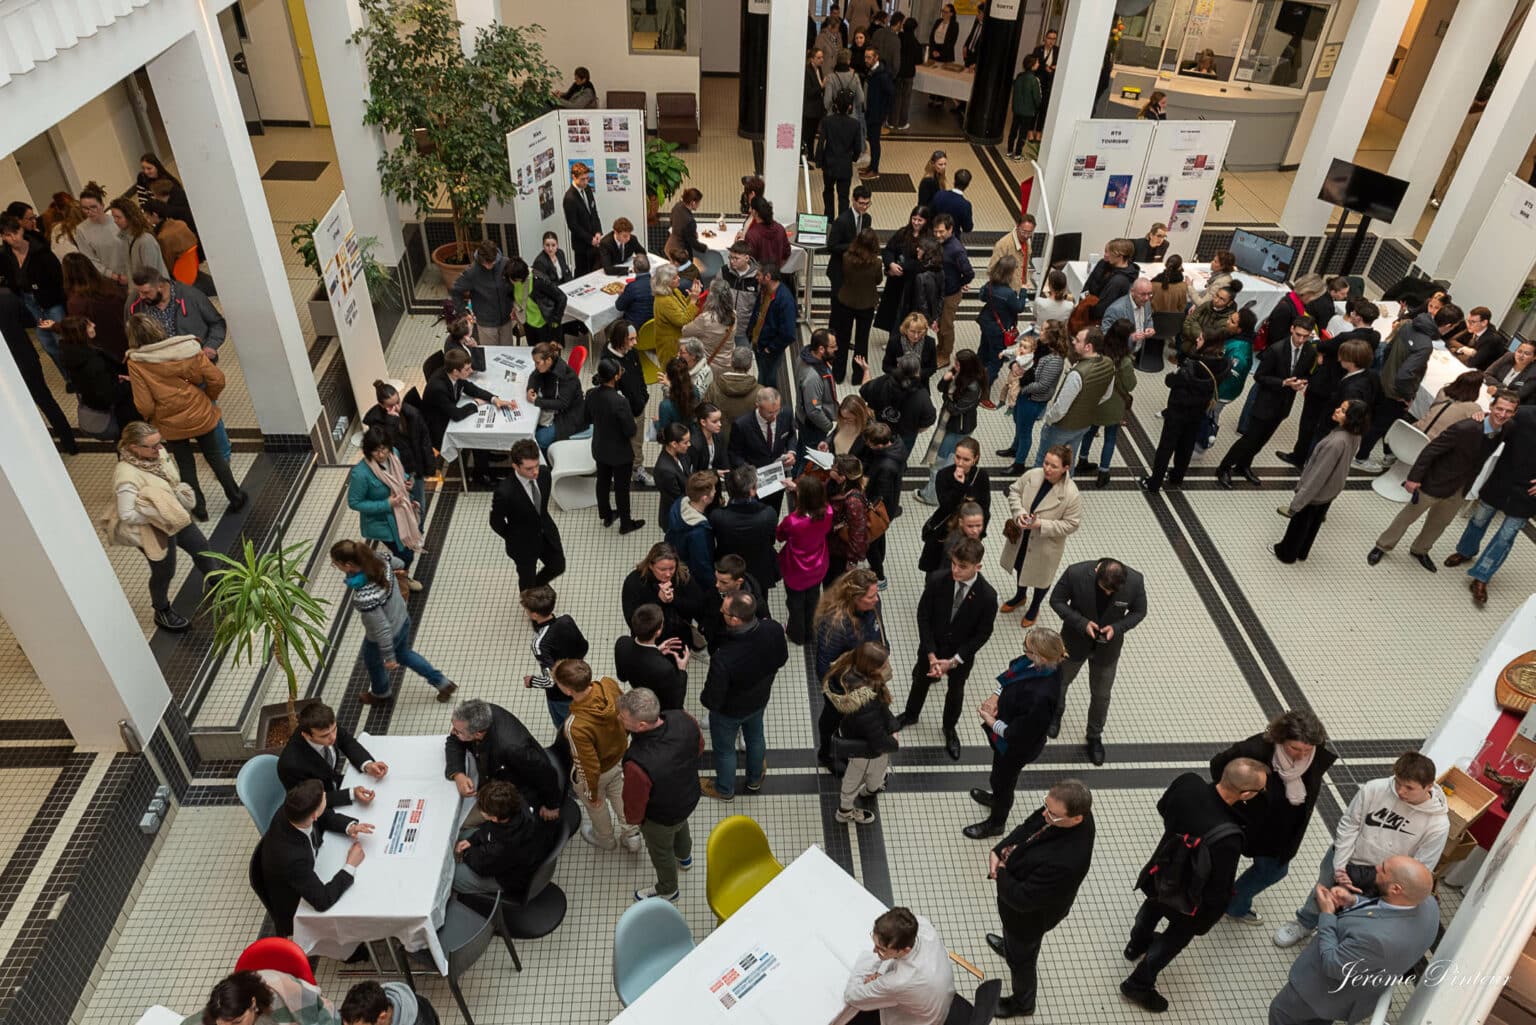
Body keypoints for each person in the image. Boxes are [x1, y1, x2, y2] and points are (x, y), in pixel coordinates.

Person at [1121, 759, 1268, 1013]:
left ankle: (1137, 943)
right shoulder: (1228, 836)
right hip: (1189, 898)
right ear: (1245, 794)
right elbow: (1218, 887)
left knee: (1151, 907)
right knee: (1173, 939)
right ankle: (1139, 983)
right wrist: (1205, 920)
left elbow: (1163, 806)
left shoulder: (1188, 783)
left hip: (1162, 870)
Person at [1273, 751, 1449, 949]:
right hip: (1348, 856)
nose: (1401, 791)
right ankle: (1304, 923)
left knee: (1359, 909)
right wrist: (1340, 865)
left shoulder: (1437, 824)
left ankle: (1333, 939)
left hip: (1382, 875)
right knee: (1322, 890)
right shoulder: (1375, 788)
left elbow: (1421, 868)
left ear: (1429, 786)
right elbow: (1350, 825)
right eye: (1398, 782)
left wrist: (1390, 885)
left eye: (1409, 788)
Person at [1268, 857, 1441, 1025]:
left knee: (1281, 1013)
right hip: (1351, 991)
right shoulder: (1429, 905)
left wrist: (1327, 914)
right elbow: (1385, 908)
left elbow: (1333, 964)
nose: (1376, 868)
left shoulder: (1377, 939)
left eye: (1383, 869)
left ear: (1396, 889)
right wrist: (1354, 901)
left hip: (1320, 995)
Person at [1210, 709, 1334, 926]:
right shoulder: (1254, 750)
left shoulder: (1315, 748)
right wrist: (1240, 797)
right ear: (1280, 737)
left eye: (1307, 750)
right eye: (1294, 748)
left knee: (1273, 871)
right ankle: (1233, 905)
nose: (1301, 756)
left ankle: (1233, 903)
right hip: (1248, 821)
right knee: (1229, 863)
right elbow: (1219, 766)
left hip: (1283, 831)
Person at [1370, 390, 1518, 571]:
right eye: (1499, 409)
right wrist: (1414, 478)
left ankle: (1420, 549)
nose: (1503, 415)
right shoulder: (1465, 428)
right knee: (1408, 516)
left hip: (1461, 487)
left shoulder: (1507, 427)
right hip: (1435, 481)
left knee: (1440, 523)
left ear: (1514, 413)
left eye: (1509, 411)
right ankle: (1382, 546)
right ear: (1491, 407)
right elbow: (1430, 451)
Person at [985, 778, 1095, 1019]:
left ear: (1077, 818)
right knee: (1014, 943)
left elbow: (1021, 899)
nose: (1045, 815)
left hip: (1029, 918)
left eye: (1053, 814)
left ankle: (1023, 1003)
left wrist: (1000, 870)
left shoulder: (1067, 861)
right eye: (1046, 806)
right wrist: (1000, 847)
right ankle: (1009, 947)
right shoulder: (1062, 810)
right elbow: (1030, 825)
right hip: (1020, 904)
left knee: (1022, 961)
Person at [124, 315, 246, 520]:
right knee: (215, 456)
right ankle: (236, 497)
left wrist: (152, 418)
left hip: (169, 422)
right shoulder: (187, 349)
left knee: (186, 465)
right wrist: (208, 397)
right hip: (200, 412)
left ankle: (199, 509)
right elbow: (217, 378)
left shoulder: (137, 363)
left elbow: (144, 403)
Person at [102, 422, 215, 630]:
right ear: (134, 447)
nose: (159, 448)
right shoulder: (126, 475)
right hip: (155, 529)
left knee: (202, 548)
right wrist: (158, 515)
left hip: (174, 516)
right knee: (164, 571)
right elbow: (127, 514)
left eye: (159, 442)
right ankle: (161, 610)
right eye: (152, 446)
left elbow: (169, 476)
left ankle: (218, 583)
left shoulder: (158, 454)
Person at [899, 538, 998, 761]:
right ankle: (911, 714)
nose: (955, 570)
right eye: (953, 563)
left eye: (962, 567)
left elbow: (982, 634)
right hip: (931, 648)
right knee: (920, 681)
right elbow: (923, 616)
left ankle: (949, 728)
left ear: (978, 567)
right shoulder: (937, 580)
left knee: (955, 691)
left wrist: (953, 661)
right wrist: (931, 654)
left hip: (959, 657)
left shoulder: (987, 597)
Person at [965, 626, 1066, 839]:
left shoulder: (1041, 695)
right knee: (998, 775)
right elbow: (1011, 678)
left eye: (1027, 648)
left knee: (1004, 782)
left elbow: (1018, 734)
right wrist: (995, 698)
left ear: (1040, 656)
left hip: (1016, 746)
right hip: (1007, 731)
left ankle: (996, 822)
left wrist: (991, 721)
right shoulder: (1039, 663)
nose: (1023, 650)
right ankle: (996, 797)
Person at [330, 539, 453, 705]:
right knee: (405, 654)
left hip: (385, 635)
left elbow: (381, 628)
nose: (335, 566)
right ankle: (442, 683)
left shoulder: (365, 596)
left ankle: (381, 695)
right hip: (402, 619)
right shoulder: (378, 559)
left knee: (373, 661)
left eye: (335, 563)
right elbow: (399, 562)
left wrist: (388, 656)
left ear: (348, 565)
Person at [1049, 559, 1146, 765]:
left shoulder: (1135, 581)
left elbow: (1139, 612)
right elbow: (1056, 600)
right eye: (1105, 590)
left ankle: (1094, 735)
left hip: (1107, 649)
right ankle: (1055, 714)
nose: (1109, 594)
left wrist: (1117, 628)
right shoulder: (1075, 574)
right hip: (1074, 642)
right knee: (1059, 682)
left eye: (1114, 592)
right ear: (1095, 573)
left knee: (1101, 696)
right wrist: (1081, 623)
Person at [1444, 396, 1536, 605]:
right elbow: (1497, 423)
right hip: (1501, 480)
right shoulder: (1525, 414)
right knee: (1479, 520)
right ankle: (1465, 551)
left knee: (1506, 536)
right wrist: (1482, 417)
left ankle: (1482, 575)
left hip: (1528, 493)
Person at [615, 687, 703, 903]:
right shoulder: (683, 718)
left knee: (661, 851)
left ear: (641, 725)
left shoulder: (637, 761)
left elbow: (635, 803)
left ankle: (668, 889)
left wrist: (635, 822)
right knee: (681, 826)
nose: (619, 718)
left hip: (660, 816)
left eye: (623, 717)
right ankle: (684, 858)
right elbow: (699, 748)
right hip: (688, 796)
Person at [700, 592, 788, 801]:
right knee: (755, 736)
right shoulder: (773, 629)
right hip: (759, 701)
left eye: (723, 611)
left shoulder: (724, 657)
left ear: (735, 620)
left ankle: (724, 789)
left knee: (725, 751)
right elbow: (782, 658)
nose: (720, 612)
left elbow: (711, 699)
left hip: (729, 713)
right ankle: (755, 778)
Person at [257, 779, 371, 938]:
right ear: (313, 815)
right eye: (324, 797)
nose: (327, 796)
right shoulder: (292, 859)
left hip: (313, 864)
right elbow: (323, 900)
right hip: (298, 903)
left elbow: (323, 817)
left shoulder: (293, 810)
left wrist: (349, 826)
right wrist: (350, 865)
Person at [1357, 303, 1464, 470]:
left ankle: (1388, 453)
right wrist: (1407, 396)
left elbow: (1388, 349)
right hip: (1395, 391)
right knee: (1380, 424)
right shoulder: (1425, 345)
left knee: (1386, 421)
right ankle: (1361, 458)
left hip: (1385, 379)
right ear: (1449, 326)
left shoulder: (1409, 325)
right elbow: (1405, 375)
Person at [1217, 317, 1317, 488]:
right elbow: (1259, 376)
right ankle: (1224, 467)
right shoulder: (1276, 350)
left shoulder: (1309, 350)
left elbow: (1306, 373)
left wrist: (1302, 382)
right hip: (1265, 402)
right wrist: (1283, 383)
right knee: (1249, 439)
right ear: (1292, 329)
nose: (1301, 340)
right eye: (1299, 335)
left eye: (1305, 336)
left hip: (1284, 404)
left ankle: (1244, 465)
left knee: (1263, 439)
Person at [553, 659, 637, 852]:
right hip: (618, 759)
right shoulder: (607, 684)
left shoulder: (575, 725)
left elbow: (587, 764)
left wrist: (591, 793)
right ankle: (632, 835)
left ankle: (605, 839)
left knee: (596, 806)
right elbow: (626, 714)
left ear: (568, 690)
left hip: (597, 773)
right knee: (619, 793)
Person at [1283, 305, 1381, 466]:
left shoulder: (1346, 337)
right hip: (1335, 386)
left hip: (1324, 384)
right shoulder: (1375, 337)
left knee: (1309, 422)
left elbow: (1322, 346)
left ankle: (1300, 456)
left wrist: (1322, 352)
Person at [998, 445, 1082, 628]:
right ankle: (1020, 597)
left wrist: (1041, 524)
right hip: (1023, 537)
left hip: (1045, 544)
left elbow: (1072, 524)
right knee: (1021, 566)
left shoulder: (1071, 494)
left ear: (1065, 468)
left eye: (1054, 466)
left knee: (1042, 578)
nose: (1047, 469)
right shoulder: (1033, 474)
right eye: (1046, 463)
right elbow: (1014, 491)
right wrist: (1018, 513)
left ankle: (1034, 608)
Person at [1273, 400, 1366, 564]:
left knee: (1299, 525)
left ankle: (1286, 553)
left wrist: (1298, 501)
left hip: (1316, 492)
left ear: (1351, 418)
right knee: (1313, 523)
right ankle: (1302, 552)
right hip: (1331, 489)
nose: (1337, 410)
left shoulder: (1336, 441)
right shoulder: (1355, 435)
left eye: (1343, 411)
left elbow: (1318, 474)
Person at [445, 699, 563, 817]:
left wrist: (551, 805)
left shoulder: (513, 749)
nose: (454, 732)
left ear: (478, 734)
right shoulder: (477, 715)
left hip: (514, 791)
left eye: (458, 731)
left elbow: (545, 773)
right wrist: (458, 774)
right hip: (493, 777)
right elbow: (454, 741)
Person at [824, 642, 901, 824]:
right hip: (866, 750)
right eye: (883, 664)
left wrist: (893, 725)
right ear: (871, 668)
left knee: (863, 772)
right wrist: (894, 743)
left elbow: (881, 710)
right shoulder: (867, 702)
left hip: (853, 735)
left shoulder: (849, 674)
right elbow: (877, 740)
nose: (888, 666)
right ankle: (845, 811)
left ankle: (871, 789)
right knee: (856, 777)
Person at [1139, 335, 1225, 493]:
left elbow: (1170, 381)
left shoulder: (1191, 366)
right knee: (1186, 444)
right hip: (1199, 410)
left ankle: (1154, 482)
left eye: (1201, 339)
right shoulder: (1222, 364)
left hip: (1178, 409)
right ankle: (1177, 477)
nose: (1197, 340)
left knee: (1166, 447)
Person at [841, 908, 955, 1025]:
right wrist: (880, 972)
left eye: (882, 950)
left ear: (905, 950)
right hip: (939, 997)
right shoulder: (922, 925)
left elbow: (852, 996)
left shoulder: (901, 981)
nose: (874, 951)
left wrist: (866, 972)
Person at [421, 348, 514, 487]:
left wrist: (494, 399)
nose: (471, 371)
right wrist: (476, 403)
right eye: (467, 369)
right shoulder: (438, 388)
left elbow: (471, 388)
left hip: (449, 412)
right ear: (455, 371)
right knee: (477, 432)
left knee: (479, 426)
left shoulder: (454, 375)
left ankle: (484, 453)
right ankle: (480, 474)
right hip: (441, 426)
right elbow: (457, 414)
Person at [451, 779, 557, 897]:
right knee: (465, 836)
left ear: (495, 818)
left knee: (453, 876)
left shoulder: (505, 846)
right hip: (516, 857)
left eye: (484, 811)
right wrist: (473, 840)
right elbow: (490, 829)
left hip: (509, 877)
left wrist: (466, 853)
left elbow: (482, 866)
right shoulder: (517, 802)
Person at [277, 701, 386, 813]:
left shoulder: (326, 726)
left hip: (334, 782)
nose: (333, 737)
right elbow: (307, 801)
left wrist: (367, 764)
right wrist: (350, 794)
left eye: (334, 729)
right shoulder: (291, 765)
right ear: (306, 735)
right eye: (324, 736)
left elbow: (346, 741)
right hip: (321, 807)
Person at [349, 426, 424, 582]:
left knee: (406, 551)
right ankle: (399, 580)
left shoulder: (393, 454)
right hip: (383, 522)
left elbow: (398, 476)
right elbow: (354, 503)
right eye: (376, 451)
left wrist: (406, 482)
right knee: (405, 555)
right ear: (368, 451)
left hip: (402, 512)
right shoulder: (361, 473)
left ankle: (400, 577)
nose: (381, 454)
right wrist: (386, 503)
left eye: (384, 449)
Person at [488, 438, 565, 589]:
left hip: (546, 533)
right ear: (515, 466)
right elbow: (495, 521)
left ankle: (536, 588)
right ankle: (530, 601)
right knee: (526, 579)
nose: (535, 471)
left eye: (536, 465)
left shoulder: (544, 474)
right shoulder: (505, 492)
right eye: (529, 469)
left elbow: (541, 508)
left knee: (558, 566)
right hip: (522, 542)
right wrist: (512, 536)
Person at [0, 212, 67, 376]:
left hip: (51, 301)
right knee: (47, 343)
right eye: (8, 236)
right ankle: (67, 377)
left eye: (15, 233)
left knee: (62, 340)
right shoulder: (4, 256)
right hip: (29, 302)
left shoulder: (39, 249)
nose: (13, 238)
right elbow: (9, 280)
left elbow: (57, 276)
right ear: (2, 236)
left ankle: (77, 376)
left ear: (21, 230)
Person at [1036, 326, 1113, 465]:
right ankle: (1066, 486)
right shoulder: (1109, 364)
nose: (1073, 342)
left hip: (1061, 427)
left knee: (1045, 462)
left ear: (1088, 347)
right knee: (1068, 462)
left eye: (1078, 340)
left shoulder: (1077, 374)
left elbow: (1060, 409)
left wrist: (1048, 419)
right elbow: (1107, 395)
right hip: (1084, 424)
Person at [1075, 320, 1138, 488]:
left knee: (1090, 431)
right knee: (1110, 437)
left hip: (1095, 399)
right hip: (1114, 404)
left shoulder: (1099, 352)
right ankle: (1103, 471)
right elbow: (1131, 384)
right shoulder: (1124, 361)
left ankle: (1082, 460)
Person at [588, 357, 646, 533]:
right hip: (620, 453)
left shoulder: (591, 394)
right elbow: (630, 429)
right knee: (621, 488)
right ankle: (626, 524)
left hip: (600, 446)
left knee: (603, 482)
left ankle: (606, 515)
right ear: (615, 377)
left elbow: (587, 417)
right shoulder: (620, 401)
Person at [517, 584, 588, 728]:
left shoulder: (539, 644)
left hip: (560, 696)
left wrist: (532, 681)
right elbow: (584, 646)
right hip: (580, 683)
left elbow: (550, 681)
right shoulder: (567, 620)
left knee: (566, 727)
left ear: (534, 614)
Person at [363, 381, 434, 524]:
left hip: (415, 466)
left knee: (419, 501)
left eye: (398, 402)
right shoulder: (376, 423)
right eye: (390, 405)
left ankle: (419, 529)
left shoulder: (412, 413)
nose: (396, 407)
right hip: (397, 471)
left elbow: (424, 440)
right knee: (401, 504)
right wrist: (392, 421)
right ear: (381, 405)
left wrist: (430, 464)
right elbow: (385, 444)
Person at [917, 437, 990, 567]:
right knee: (936, 568)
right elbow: (946, 506)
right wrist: (959, 486)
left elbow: (985, 509)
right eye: (957, 457)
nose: (960, 463)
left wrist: (979, 534)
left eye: (966, 459)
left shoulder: (981, 476)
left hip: (968, 533)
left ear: (975, 459)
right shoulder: (944, 475)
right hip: (945, 530)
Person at [777, 473, 834, 644]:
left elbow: (780, 535)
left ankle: (797, 634)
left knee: (795, 604)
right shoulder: (828, 512)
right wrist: (797, 488)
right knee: (813, 599)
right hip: (818, 565)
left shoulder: (793, 521)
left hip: (796, 569)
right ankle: (811, 632)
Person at [58, 316, 135, 439]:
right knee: (130, 439)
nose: (94, 325)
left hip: (94, 404)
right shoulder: (93, 362)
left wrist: (112, 377)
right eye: (89, 325)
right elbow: (108, 394)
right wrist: (126, 384)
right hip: (117, 411)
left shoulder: (71, 354)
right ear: (81, 333)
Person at [1002, 323, 1065, 473]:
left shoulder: (1055, 360)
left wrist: (1021, 389)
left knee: (1025, 430)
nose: (1039, 331)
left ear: (1051, 336)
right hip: (1024, 394)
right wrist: (1013, 366)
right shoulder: (1040, 347)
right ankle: (1014, 448)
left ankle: (1019, 463)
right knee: (1018, 421)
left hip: (1033, 399)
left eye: (1043, 329)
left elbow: (1042, 385)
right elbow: (1021, 357)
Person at [622, 542, 706, 650]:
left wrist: (674, 600)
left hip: (680, 636)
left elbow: (698, 606)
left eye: (672, 568)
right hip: (650, 641)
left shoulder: (682, 576)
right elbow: (632, 620)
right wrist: (658, 601)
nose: (668, 574)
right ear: (651, 566)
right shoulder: (634, 582)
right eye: (662, 569)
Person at [728, 387, 797, 512]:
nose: (775, 416)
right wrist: (750, 473)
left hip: (777, 480)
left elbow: (791, 435)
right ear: (757, 406)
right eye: (770, 413)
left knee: (773, 512)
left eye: (777, 410)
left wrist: (791, 452)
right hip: (755, 485)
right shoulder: (741, 425)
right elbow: (734, 454)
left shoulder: (786, 413)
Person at [833, 229, 883, 385]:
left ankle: (838, 374)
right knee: (862, 341)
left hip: (846, 301)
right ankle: (857, 376)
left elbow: (842, 276)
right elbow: (878, 281)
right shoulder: (876, 263)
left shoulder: (846, 258)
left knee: (842, 339)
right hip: (866, 304)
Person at [616, 604, 689, 710]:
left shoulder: (622, 643)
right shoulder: (665, 668)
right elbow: (676, 702)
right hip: (660, 707)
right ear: (658, 631)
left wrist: (656, 650)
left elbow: (622, 677)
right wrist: (682, 670)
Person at [977, 256, 1029, 399]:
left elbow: (981, 297)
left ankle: (972, 376)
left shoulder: (989, 286)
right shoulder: (1009, 294)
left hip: (986, 323)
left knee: (983, 350)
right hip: (1000, 330)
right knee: (996, 360)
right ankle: (984, 390)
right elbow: (1019, 308)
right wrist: (1023, 292)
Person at [450, 241, 513, 343]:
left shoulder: (505, 263)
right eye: (486, 263)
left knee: (508, 351)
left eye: (492, 263)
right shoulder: (472, 272)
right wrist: (462, 312)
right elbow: (455, 290)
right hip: (486, 323)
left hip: (506, 319)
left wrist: (514, 304)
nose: (489, 266)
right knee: (490, 354)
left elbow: (514, 285)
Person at [748, 262, 796, 390]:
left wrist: (770, 348)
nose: (756, 278)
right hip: (759, 343)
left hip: (769, 349)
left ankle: (770, 404)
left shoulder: (785, 300)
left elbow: (789, 334)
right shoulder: (764, 290)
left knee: (768, 379)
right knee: (763, 375)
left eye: (758, 275)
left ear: (767, 277)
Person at [664, 470, 718, 584]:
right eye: (713, 490)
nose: (715, 492)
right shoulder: (699, 532)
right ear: (704, 498)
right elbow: (701, 564)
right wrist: (713, 584)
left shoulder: (678, 505)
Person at [794, 328, 839, 454]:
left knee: (802, 449)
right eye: (833, 346)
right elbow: (813, 410)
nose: (836, 349)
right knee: (810, 457)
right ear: (821, 349)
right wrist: (828, 426)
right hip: (814, 427)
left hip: (802, 418)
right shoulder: (813, 377)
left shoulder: (803, 356)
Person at [505, 256, 567, 343]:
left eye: (514, 279)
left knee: (545, 354)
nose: (511, 281)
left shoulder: (539, 281)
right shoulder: (511, 280)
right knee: (533, 352)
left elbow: (562, 298)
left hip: (544, 324)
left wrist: (556, 320)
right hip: (528, 323)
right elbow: (515, 297)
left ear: (521, 277)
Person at [108, 197, 169, 281]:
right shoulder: (125, 239)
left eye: (118, 217)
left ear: (129, 217)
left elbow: (151, 275)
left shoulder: (145, 240)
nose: (115, 221)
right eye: (113, 217)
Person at [563, 162, 602, 276]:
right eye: (582, 179)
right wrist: (590, 239)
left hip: (594, 240)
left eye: (587, 179)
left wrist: (598, 232)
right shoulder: (569, 198)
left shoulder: (588, 189)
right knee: (583, 273)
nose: (585, 182)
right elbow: (573, 225)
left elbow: (593, 212)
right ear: (574, 177)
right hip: (582, 245)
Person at [862, 47, 895, 179]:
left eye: (869, 57)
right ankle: (871, 166)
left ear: (876, 58)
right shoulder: (872, 71)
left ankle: (874, 169)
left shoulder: (882, 75)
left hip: (876, 114)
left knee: (875, 142)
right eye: (865, 57)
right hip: (870, 112)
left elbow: (891, 94)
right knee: (871, 140)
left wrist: (884, 113)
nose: (866, 60)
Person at [1007, 56, 1043, 160]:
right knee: (1023, 133)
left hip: (1017, 109)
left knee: (1013, 130)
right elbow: (1037, 97)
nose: (1038, 64)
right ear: (1032, 66)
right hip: (1028, 111)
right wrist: (1038, 106)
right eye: (1037, 63)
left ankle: (1009, 151)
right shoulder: (1034, 80)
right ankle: (1018, 154)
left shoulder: (1019, 77)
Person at [891, 16, 922, 130]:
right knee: (906, 99)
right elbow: (919, 61)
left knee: (895, 97)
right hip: (909, 73)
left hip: (898, 71)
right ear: (914, 28)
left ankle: (891, 121)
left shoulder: (898, 37)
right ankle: (902, 123)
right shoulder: (916, 43)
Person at [744, 197, 792, 269]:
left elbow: (749, 261)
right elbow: (787, 252)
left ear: (754, 212)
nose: (749, 210)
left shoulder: (752, 234)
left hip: (757, 277)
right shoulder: (780, 228)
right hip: (775, 276)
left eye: (750, 207)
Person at [1484, 337, 1536, 402]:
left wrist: (1498, 391)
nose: (1521, 355)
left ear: (1534, 357)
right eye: (1519, 351)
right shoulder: (1508, 357)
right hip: (1489, 394)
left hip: (1509, 403)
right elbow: (1487, 374)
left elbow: (1518, 395)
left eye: (1527, 354)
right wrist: (1503, 388)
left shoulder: (1534, 373)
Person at [930, 171, 975, 237]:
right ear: (967, 185)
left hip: (934, 235)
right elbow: (967, 228)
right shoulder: (965, 205)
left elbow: (930, 214)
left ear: (954, 181)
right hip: (952, 238)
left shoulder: (939, 194)